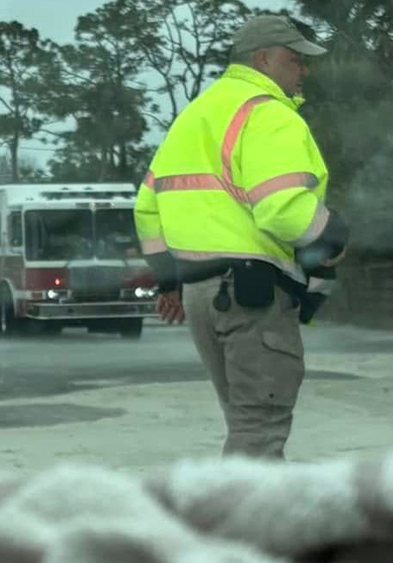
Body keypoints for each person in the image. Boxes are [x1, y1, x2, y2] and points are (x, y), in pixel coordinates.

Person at [133, 15, 350, 459]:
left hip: (200, 294)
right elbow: (283, 209)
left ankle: (250, 519)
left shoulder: (195, 116)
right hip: (251, 295)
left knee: (247, 423)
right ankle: (242, 524)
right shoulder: (269, 115)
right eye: (296, 60)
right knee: (260, 429)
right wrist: (332, 234)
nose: (303, 71)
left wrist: (169, 281)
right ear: (264, 59)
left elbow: (147, 208)